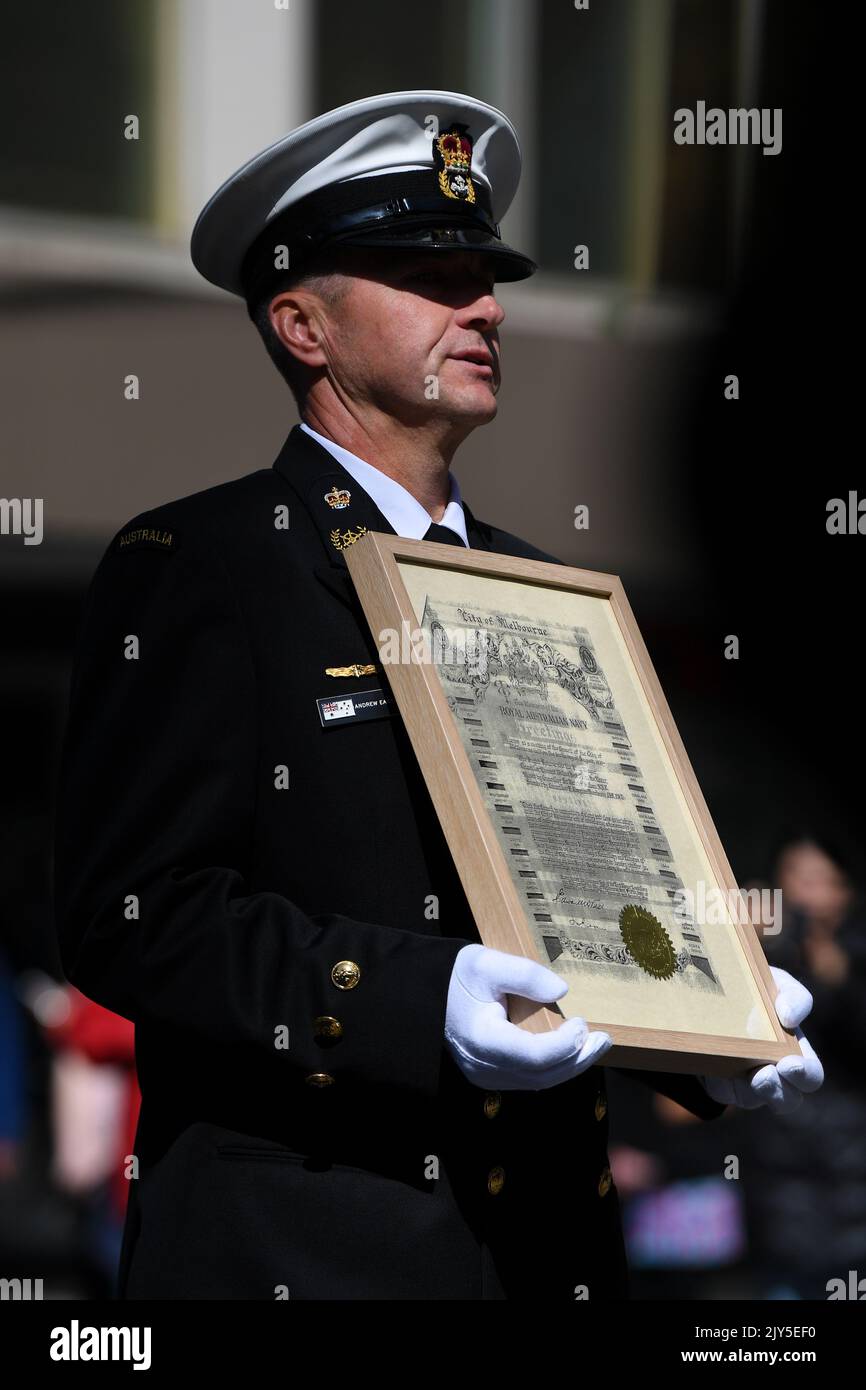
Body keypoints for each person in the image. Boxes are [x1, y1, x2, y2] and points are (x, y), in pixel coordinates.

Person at [53, 90, 822, 1301]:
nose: (485, 306)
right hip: (312, 1253)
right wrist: (414, 998)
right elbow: (131, 912)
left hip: (548, 1252)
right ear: (301, 325)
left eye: (485, 275)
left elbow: (582, 898)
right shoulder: (209, 563)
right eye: (430, 274)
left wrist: (704, 1024)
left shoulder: (541, 588)